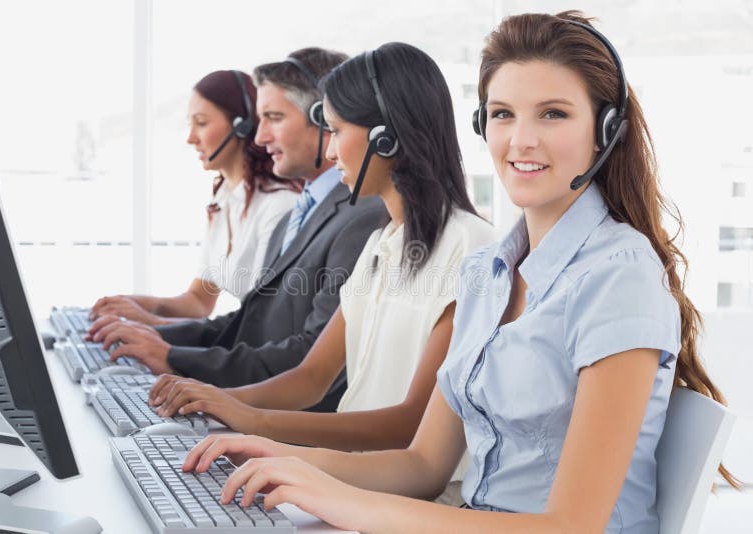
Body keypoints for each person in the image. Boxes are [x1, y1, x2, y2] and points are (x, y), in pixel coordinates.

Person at [177, 12, 739, 533]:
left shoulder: (620, 277)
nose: (521, 139)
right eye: (502, 114)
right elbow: (424, 464)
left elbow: (571, 526)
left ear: (606, 128)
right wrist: (276, 457)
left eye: (554, 113)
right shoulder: (486, 272)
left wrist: (338, 499)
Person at [147, 43, 496, 465]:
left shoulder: (468, 246)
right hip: (350, 477)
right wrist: (215, 401)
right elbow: (310, 378)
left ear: (386, 137)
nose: (330, 152)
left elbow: (412, 423)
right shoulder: (382, 244)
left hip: (393, 491)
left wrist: (254, 422)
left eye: (338, 131)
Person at [88, 47, 387, 412]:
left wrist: (176, 359)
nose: (259, 137)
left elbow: (307, 356)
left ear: (324, 119)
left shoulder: (360, 220)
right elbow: (247, 323)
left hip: (288, 424)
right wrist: (159, 342)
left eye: (274, 117)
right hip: (256, 406)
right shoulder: (304, 212)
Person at [89, 70, 300, 325]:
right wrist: (134, 305)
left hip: (255, 354)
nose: (190, 138)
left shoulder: (278, 206)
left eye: (201, 123)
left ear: (242, 125)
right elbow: (200, 300)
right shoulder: (225, 199)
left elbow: (259, 324)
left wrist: (149, 326)